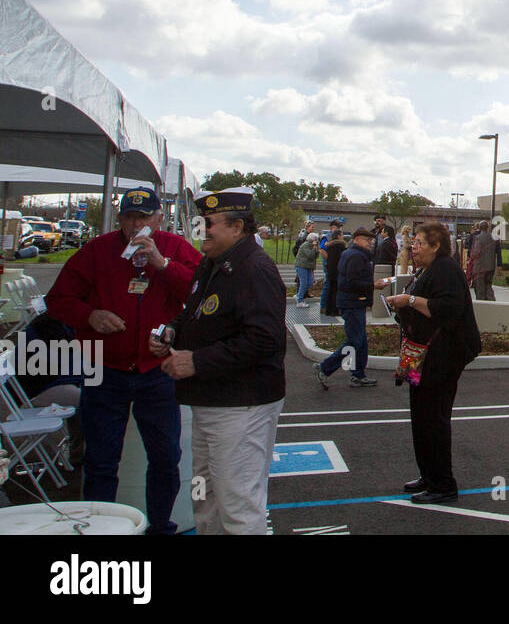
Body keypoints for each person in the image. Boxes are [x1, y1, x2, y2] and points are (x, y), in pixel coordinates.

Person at [45, 186, 202, 535]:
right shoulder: (97, 251)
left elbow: (201, 293)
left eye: (144, 217)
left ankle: (161, 526)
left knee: (165, 457)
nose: (136, 225)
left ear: (160, 219)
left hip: (156, 370)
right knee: (101, 461)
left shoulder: (175, 249)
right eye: (129, 217)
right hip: (105, 370)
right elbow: (57, 300)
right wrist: (89, 315)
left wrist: (163, 264)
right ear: (120, 219)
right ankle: (101, 529)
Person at [150, 187, 285, 535]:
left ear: (238, 227)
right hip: (210, 401)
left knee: (238, 503)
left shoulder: (254, 269)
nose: (200, 230)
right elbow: (192, 313)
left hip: (240, 405)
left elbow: (264, 339)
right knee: (205, 496)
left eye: (208, 223)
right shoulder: (213, 264)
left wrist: (197, 361)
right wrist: (170, 332)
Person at [387, 222, 481, 504]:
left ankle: (443, 484)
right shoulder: (426, 270)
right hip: (420, 357)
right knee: (420, 415)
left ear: (436, 246)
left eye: (418, 243)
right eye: (412, 243)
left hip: (443, 357)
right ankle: (428, 475)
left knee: (434, 418)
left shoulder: (447, 269)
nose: (413, 248)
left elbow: (447, 310)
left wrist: (410, 300)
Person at [315, 228, 385, 387]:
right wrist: (373, 285)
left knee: (360, 341)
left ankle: (358, 374)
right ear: (357, 240)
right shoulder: (356, 257)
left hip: (354, 303)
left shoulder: (352, 254)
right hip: (352, 303)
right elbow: (349, 283)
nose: (370, 243)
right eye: (367, 240)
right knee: (355, 341)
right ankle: (324, 368)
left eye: (371, 241)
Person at [321, 225, 347, 317]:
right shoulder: (340, 246)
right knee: (336, 291)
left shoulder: (330, 246)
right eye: (342, 234)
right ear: (339, 236)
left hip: (330, 270)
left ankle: (328, 310)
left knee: (330, 290)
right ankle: (335, 310)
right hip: (337, 271)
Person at [469, 220, 497, 301]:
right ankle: (491, 302)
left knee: (480, 289)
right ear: (487, 228)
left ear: (480, 228)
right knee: (488, 285)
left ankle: (482, 306)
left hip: (480, 267)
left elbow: (476, 252)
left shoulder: (478, 238)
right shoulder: (493, 238)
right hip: (491, 266)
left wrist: (471, 255)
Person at [293, 232, 320, 309]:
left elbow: (316, 256)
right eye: (316, 239)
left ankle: (298, 295)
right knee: (304, 282)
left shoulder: (312, 246)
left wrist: (316, 249)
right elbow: (310, 256)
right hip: (301, 266)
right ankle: (300, 301)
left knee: (310, 281)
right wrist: (315, 248)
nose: (317, 241)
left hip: (308, 266)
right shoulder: (305, 245)